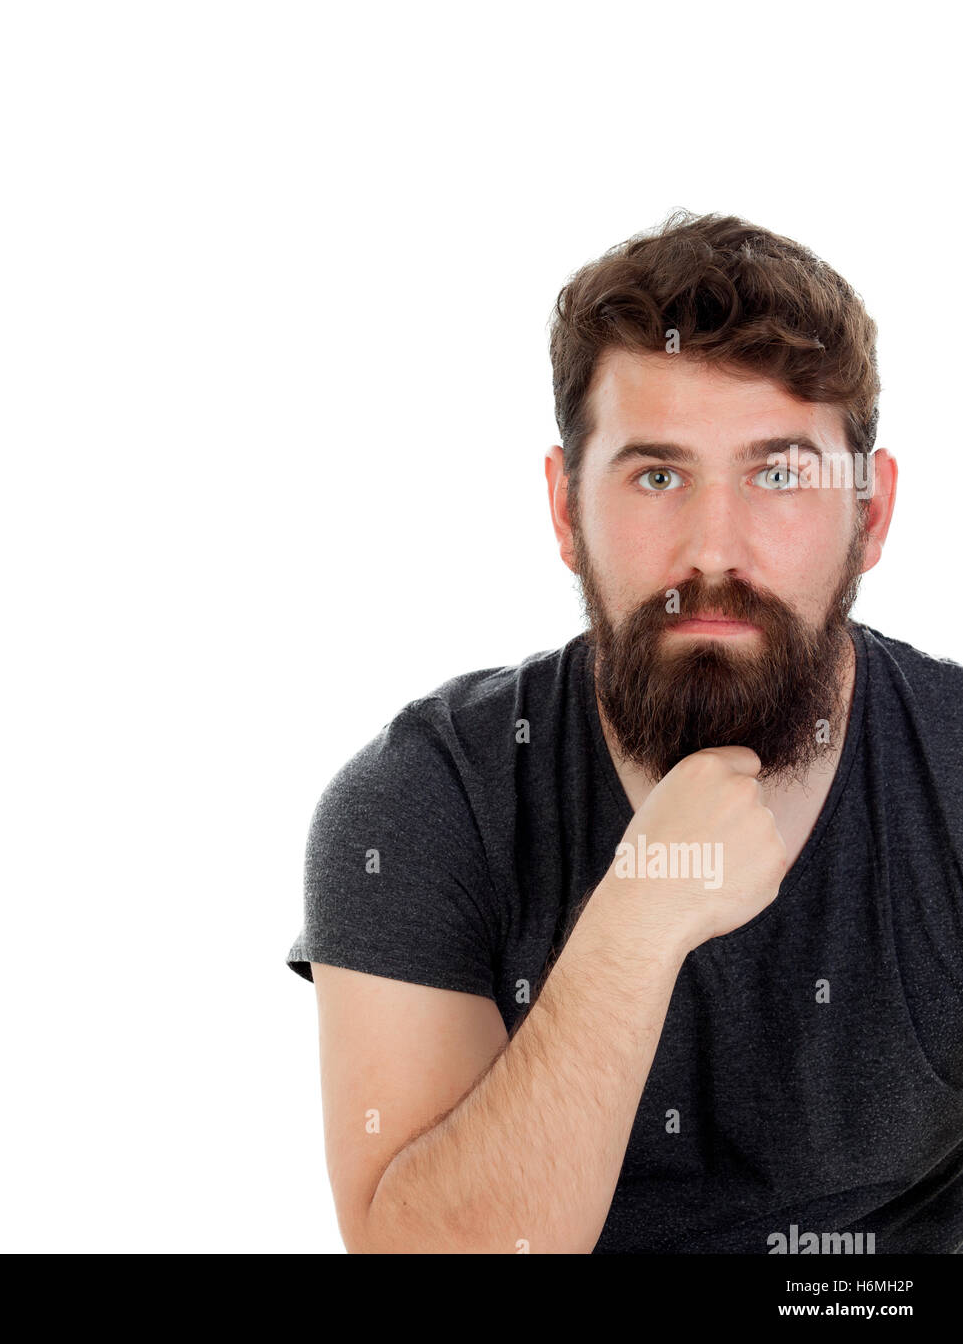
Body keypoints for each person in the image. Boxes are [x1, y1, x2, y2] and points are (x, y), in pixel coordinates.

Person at [285, 210, 963, 1253]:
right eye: (657, 475)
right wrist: (638, 918)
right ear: (566, 511)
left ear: (869, 516)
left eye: (779, 473)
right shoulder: (420, 804)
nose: (713, 550)